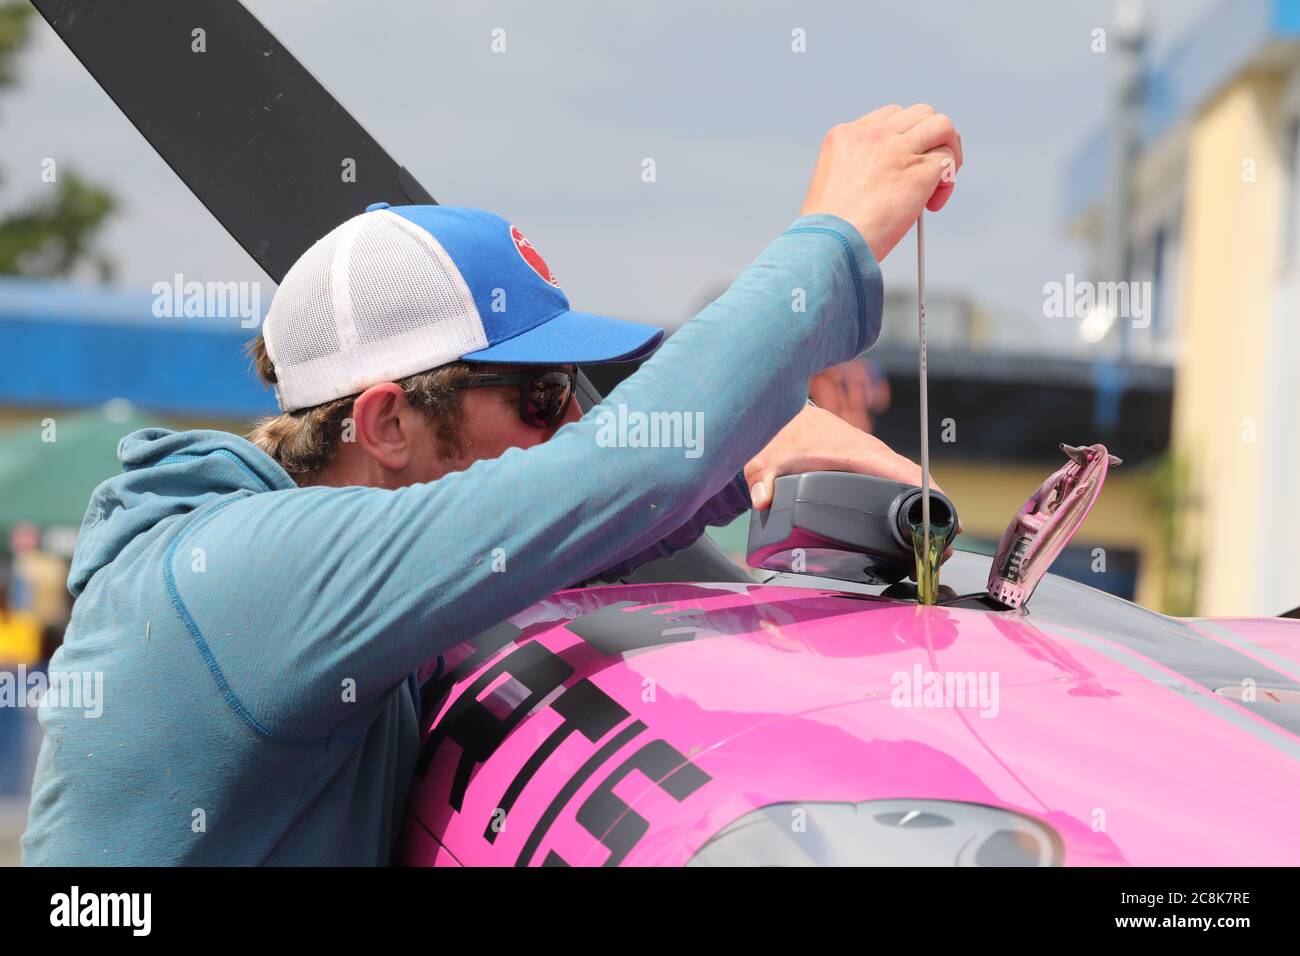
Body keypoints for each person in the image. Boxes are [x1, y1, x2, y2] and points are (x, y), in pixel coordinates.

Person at [22, 104, 962, 864]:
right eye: (540, 396)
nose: (570, 427)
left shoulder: (293, 563)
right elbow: (623, 469)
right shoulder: (248, 575)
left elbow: (584, 518)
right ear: (386, 423)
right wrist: (833, 239)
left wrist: (736, 456)